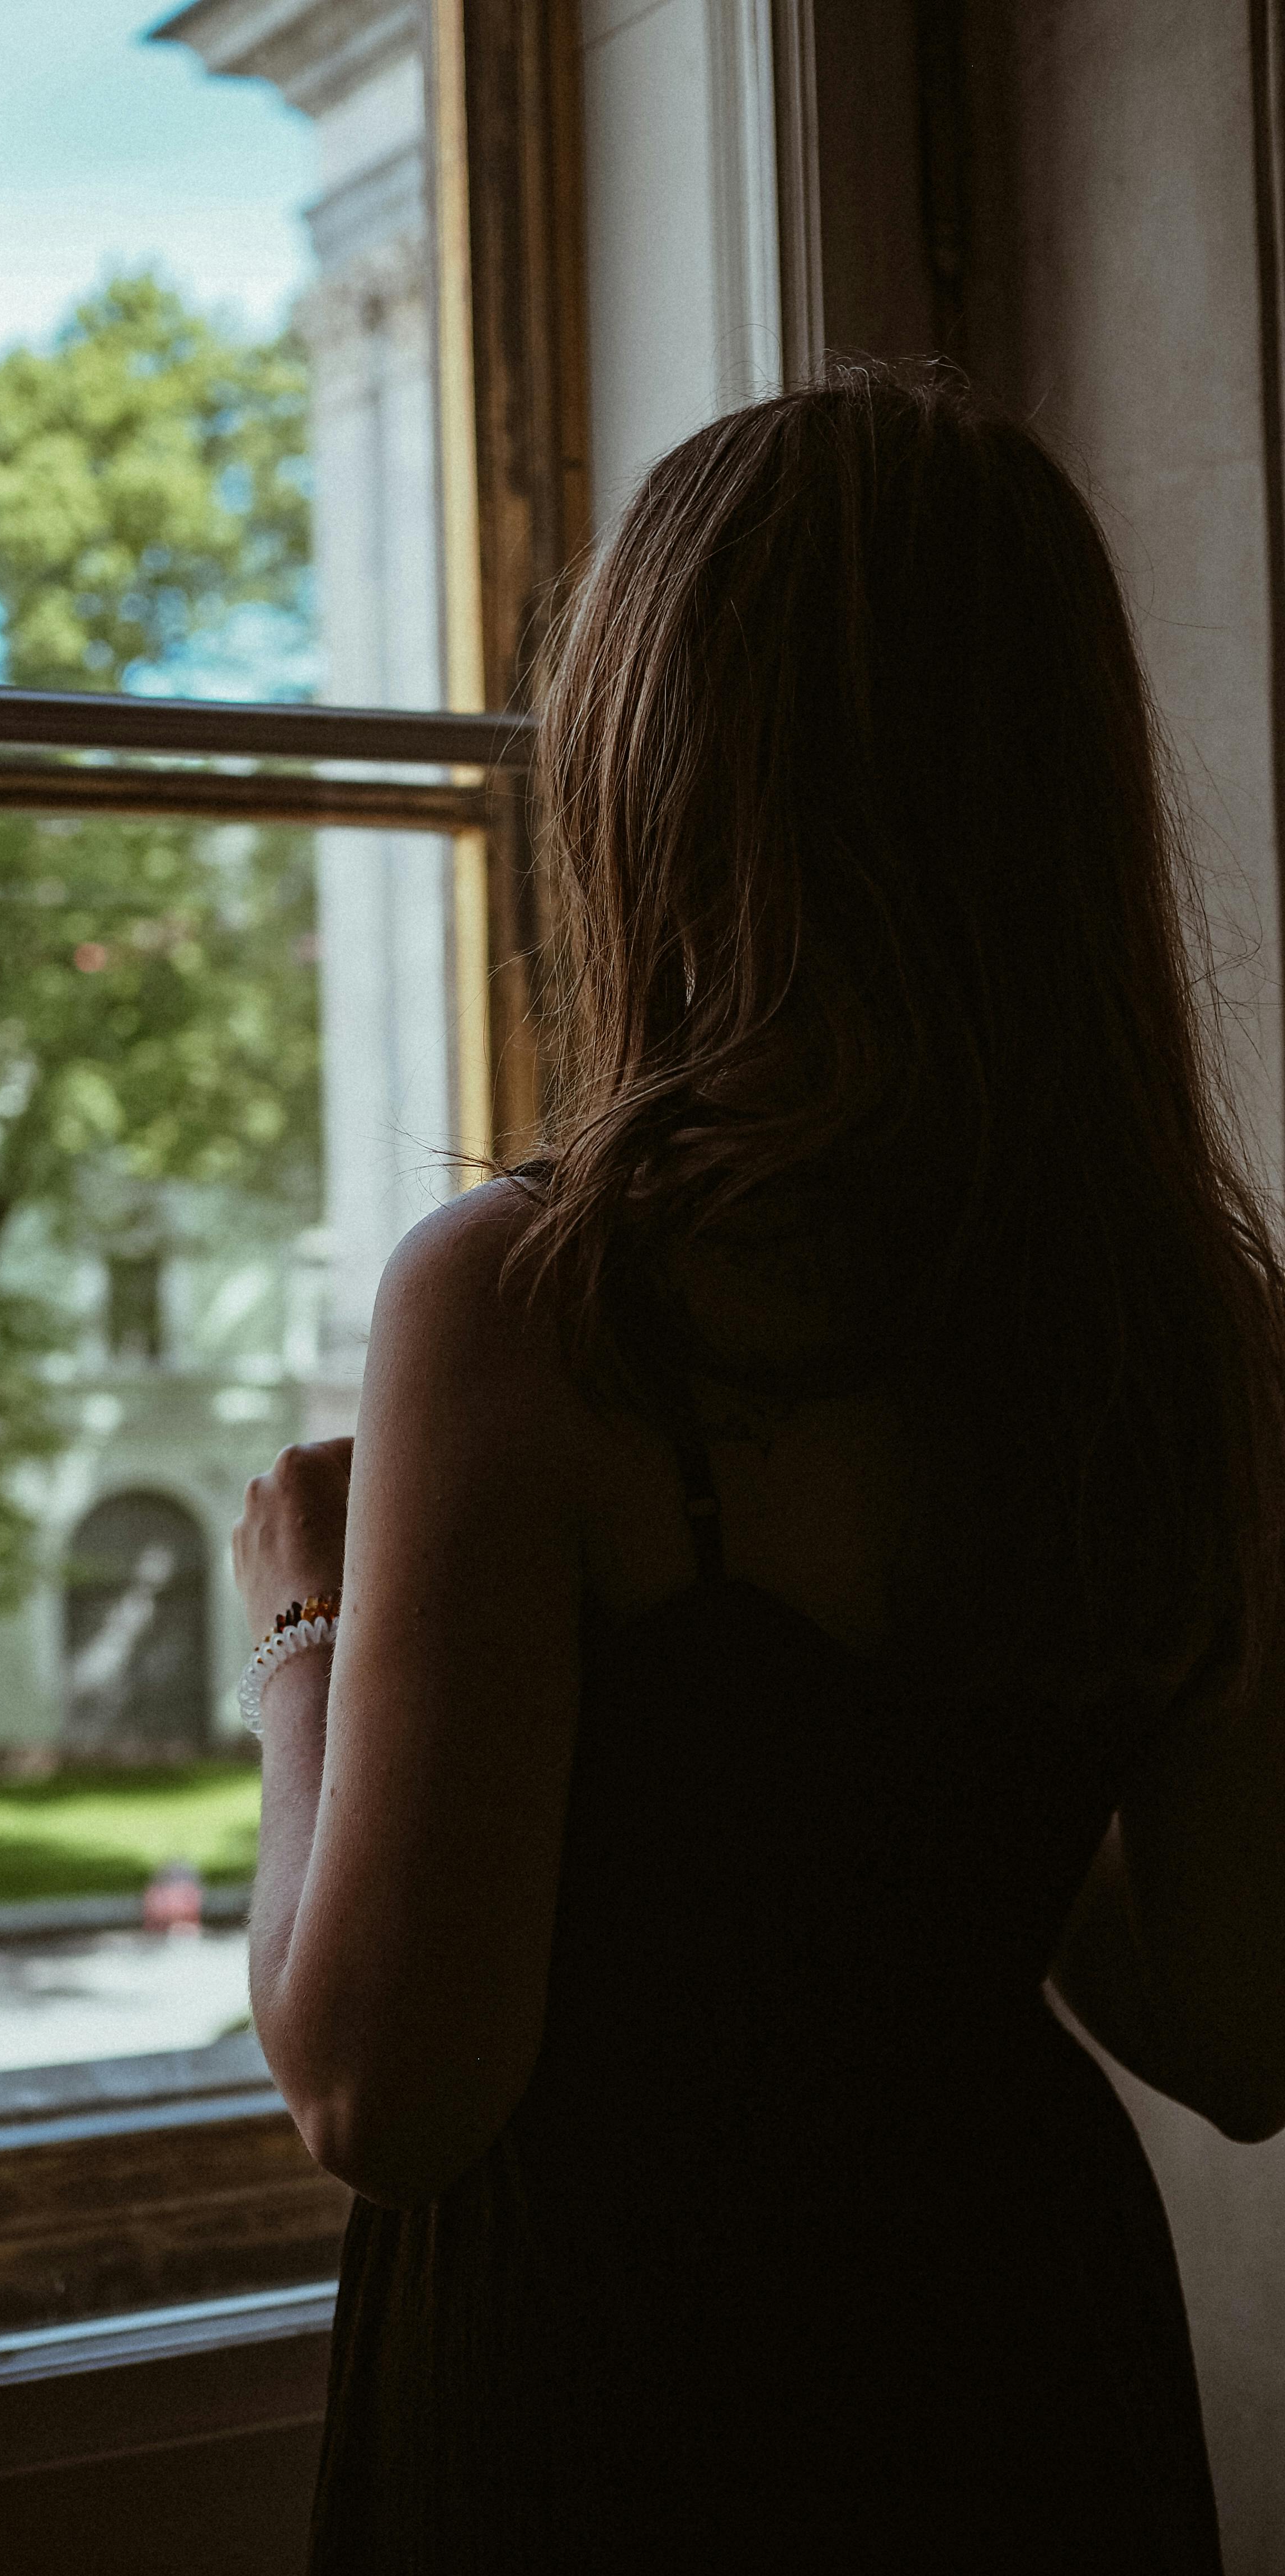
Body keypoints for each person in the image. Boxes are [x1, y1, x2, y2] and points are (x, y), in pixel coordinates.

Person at [231, 361, 1285, 2572]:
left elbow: (382, 2094)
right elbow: (1243, 2022)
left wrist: (308, 1624)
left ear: (657, 775)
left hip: (626, 2379)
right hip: (1016, 2361)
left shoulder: (538, 1301)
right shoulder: (1187, 1329)